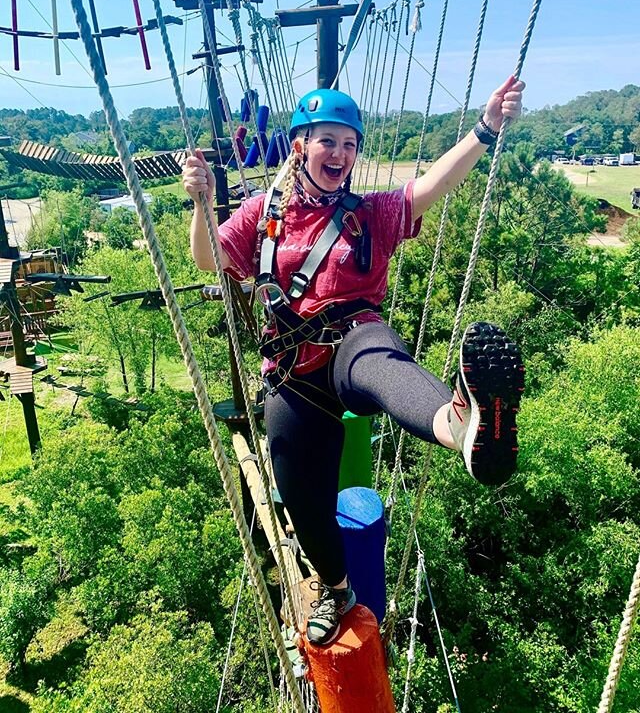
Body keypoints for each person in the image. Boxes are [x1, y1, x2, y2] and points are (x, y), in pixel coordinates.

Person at [182, 76, 526, 645]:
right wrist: (199, 203)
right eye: (328, 142)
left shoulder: (370, 213)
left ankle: (462, 425)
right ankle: (336, 587)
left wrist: (485, 128)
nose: (340, 154)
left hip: (353, 338)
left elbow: (431, 185)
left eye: (349, 144)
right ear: (301, 145)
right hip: (292, 367)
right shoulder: (264, 214)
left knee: (382, 367)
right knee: (299, 491)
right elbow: (208, 258)